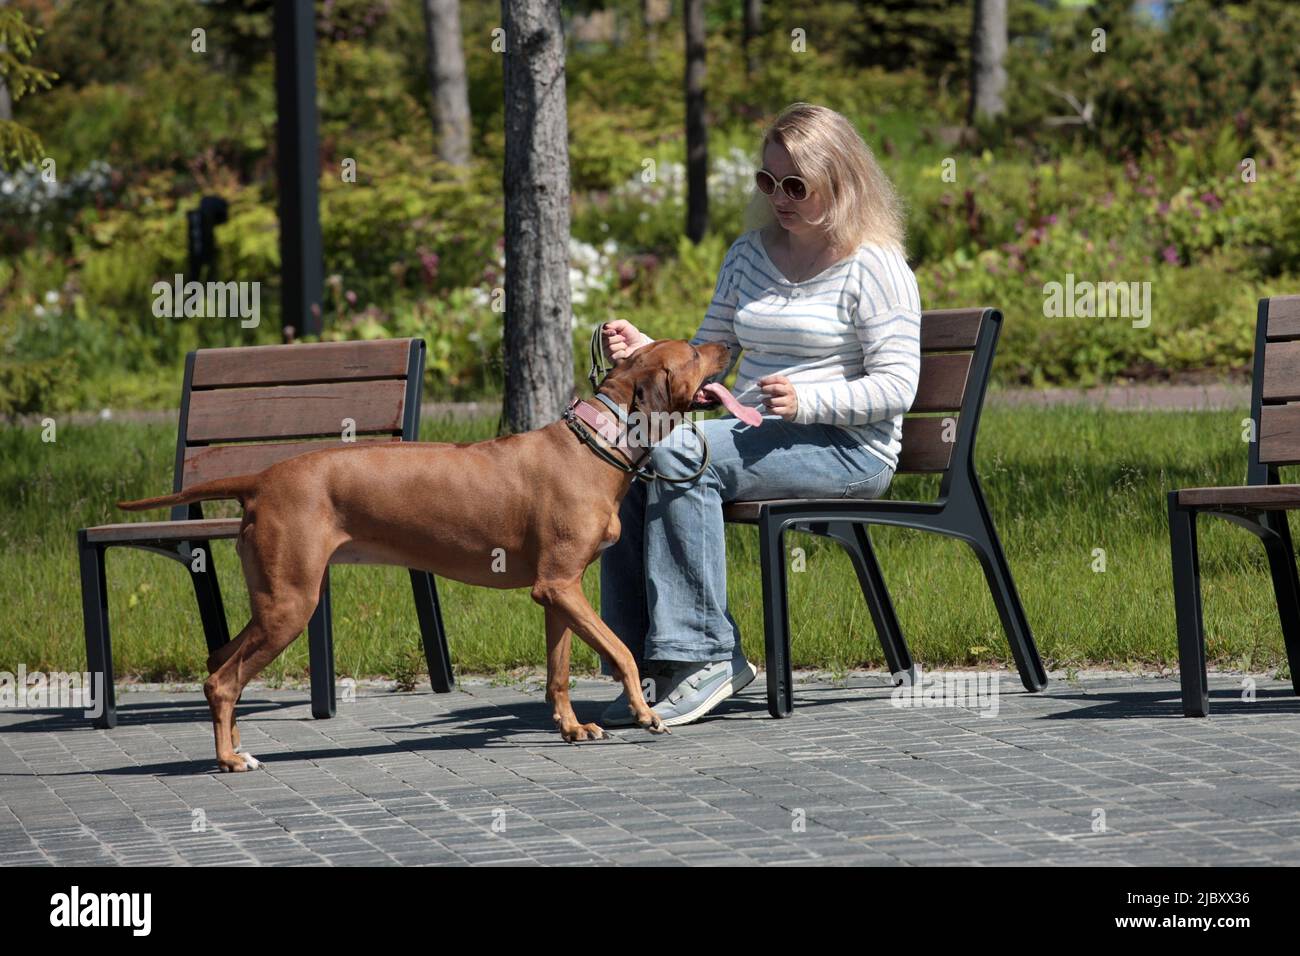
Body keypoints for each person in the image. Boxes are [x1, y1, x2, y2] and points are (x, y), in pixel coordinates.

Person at [597, 102, 922, 727]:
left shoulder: (875, 266)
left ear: (842, 182)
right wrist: (647, 351)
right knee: (639, 448)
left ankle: (706, 656)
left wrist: (809, 401)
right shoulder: (749, 254)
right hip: (758, 433)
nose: (779, 196)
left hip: (849, 450)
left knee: (678, 452)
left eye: (796, 184)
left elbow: (897, 387)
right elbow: (706, 358)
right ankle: (644, 667)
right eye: (767, 181)